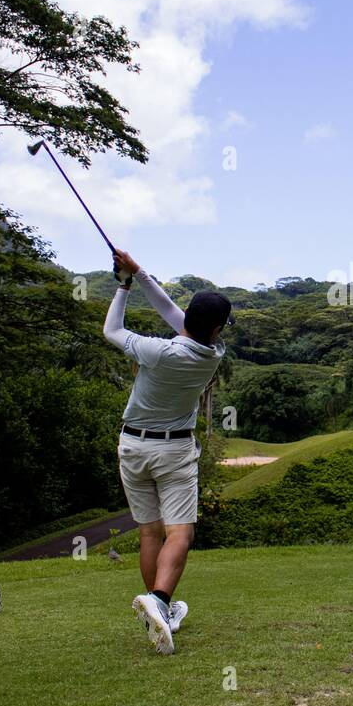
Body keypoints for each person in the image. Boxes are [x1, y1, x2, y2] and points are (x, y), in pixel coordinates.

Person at [103, 249, 231, 655]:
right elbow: (174, 315)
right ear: (216, 329)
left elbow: (112, 330)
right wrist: (137, 273)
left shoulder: (156, 351)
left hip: (132, 446)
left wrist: (125, 284)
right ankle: (159, 602)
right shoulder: (212, 354)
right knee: (180, 532)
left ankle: (159, 604)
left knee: (149, 532)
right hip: (173, 450)